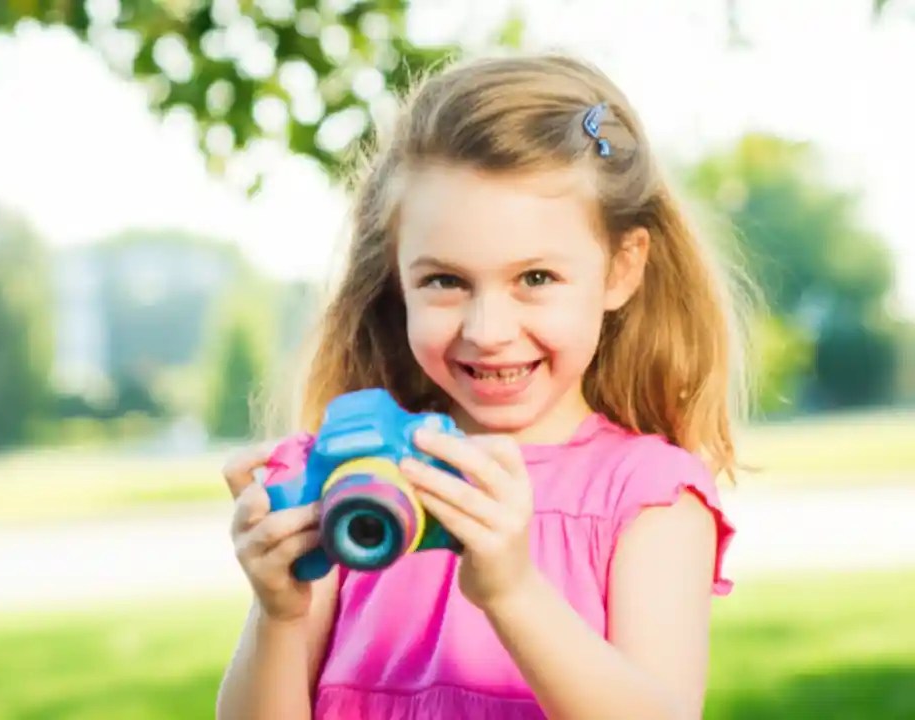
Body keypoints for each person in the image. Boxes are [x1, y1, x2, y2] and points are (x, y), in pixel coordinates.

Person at [215, 52, 752, 720]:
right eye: (445, 281)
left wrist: (513, 591)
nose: (489, 329)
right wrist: (277, 614)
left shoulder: (648, 499)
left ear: (621, 269)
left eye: (535, 279)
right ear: (397, 281)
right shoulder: (349, 476)